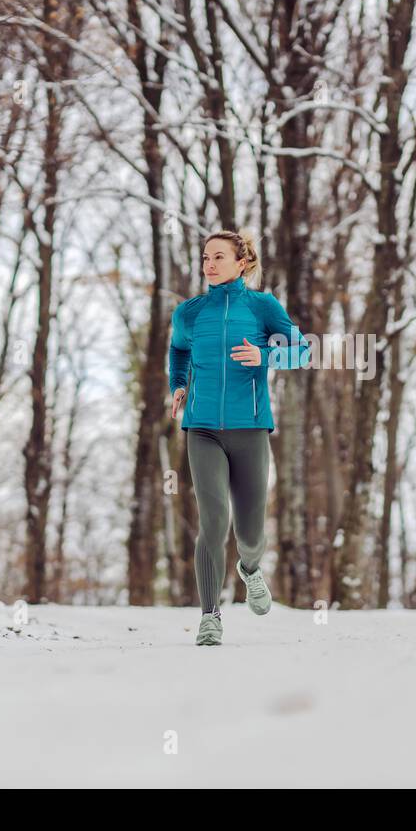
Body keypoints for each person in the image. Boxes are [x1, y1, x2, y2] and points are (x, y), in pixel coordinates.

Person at [167, 230, 311, 646]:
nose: (208, 265)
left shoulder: (263, 307)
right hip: (202, 428)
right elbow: (178, 351)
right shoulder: (190, 313)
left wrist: (265, 355)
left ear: (242, 262)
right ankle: (210, 615)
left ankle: (250, 568)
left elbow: (302, 351)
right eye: (205, 257)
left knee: (249, 532)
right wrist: (178, 384)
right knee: (213, 521)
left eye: (218, 257)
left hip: (250, 429)